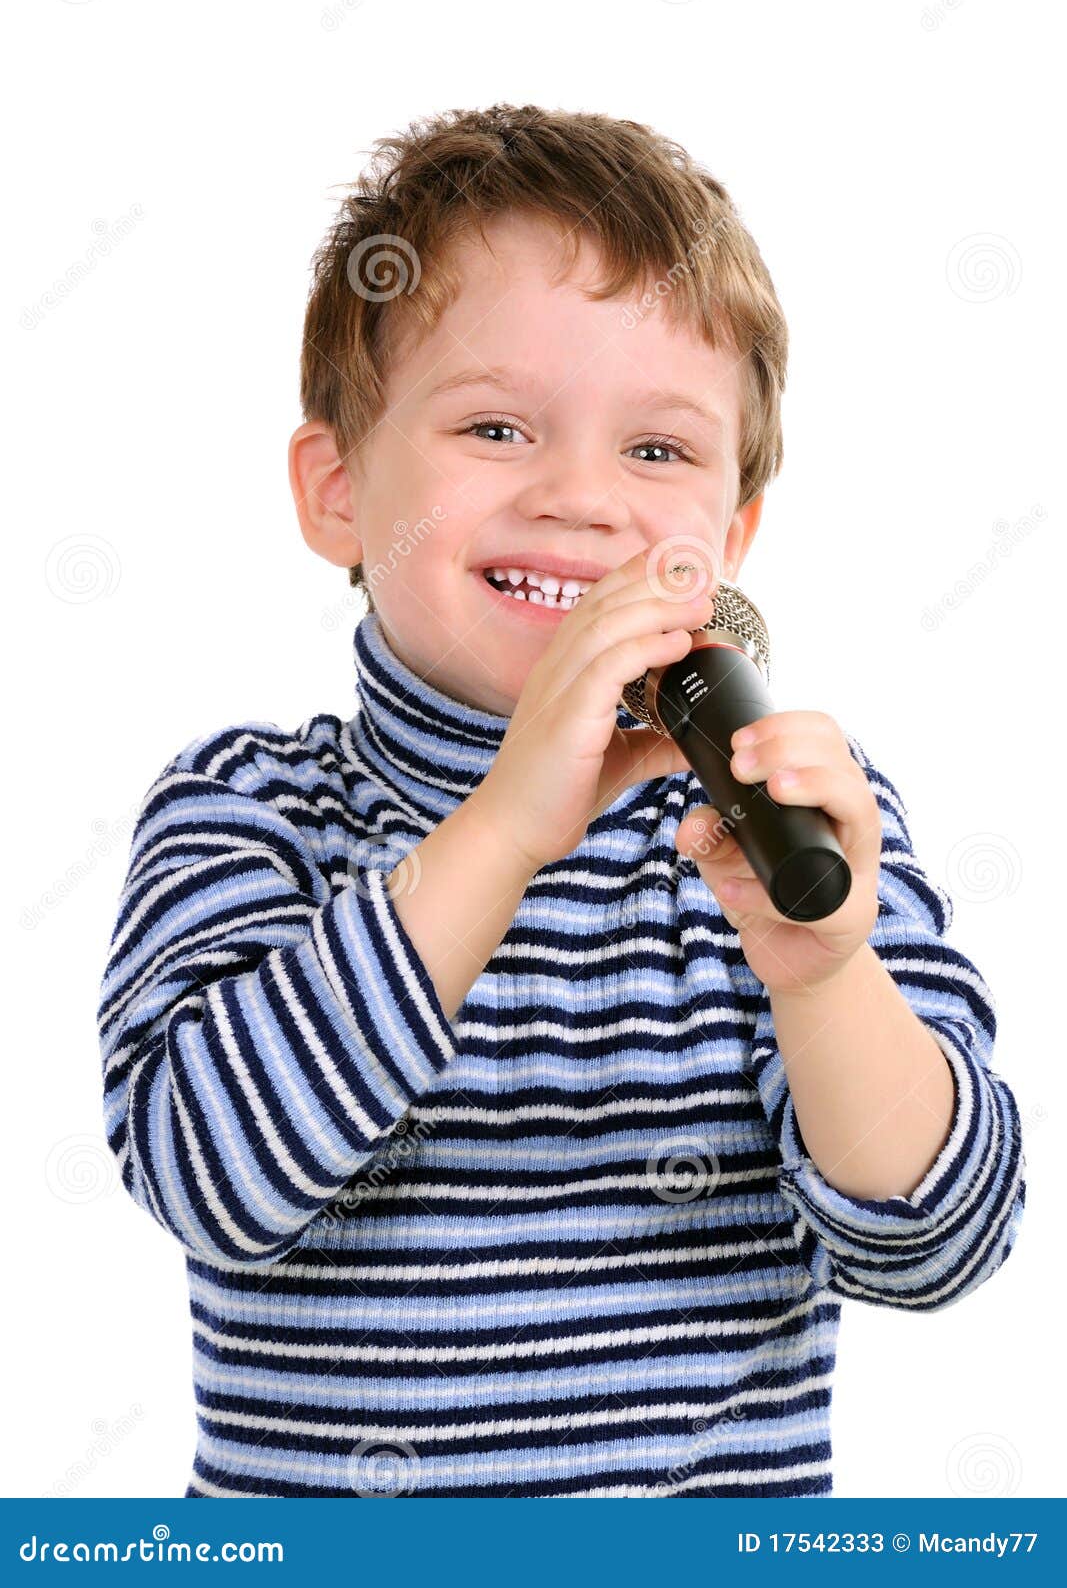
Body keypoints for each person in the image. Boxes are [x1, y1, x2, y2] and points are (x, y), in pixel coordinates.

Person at [97, 103, 1025, 1498]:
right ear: (340, 492)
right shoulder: (246, 810)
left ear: (728, 538)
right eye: (496, 424)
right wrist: (508, 824)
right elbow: (208, 1173)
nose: (583, 498)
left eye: (657, 453)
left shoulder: (784, 821)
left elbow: (940, 1241)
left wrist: (827, 977)